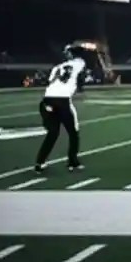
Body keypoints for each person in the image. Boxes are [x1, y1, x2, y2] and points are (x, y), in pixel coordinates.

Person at [34, 44, 89, 174]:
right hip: (62, 101)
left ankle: (39, 163)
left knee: (52, 133)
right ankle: (72, 162)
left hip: (47, 101)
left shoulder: (57, 67)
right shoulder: (79, 63)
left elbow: (51, 82)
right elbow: (80, 76)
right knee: (73, 132)